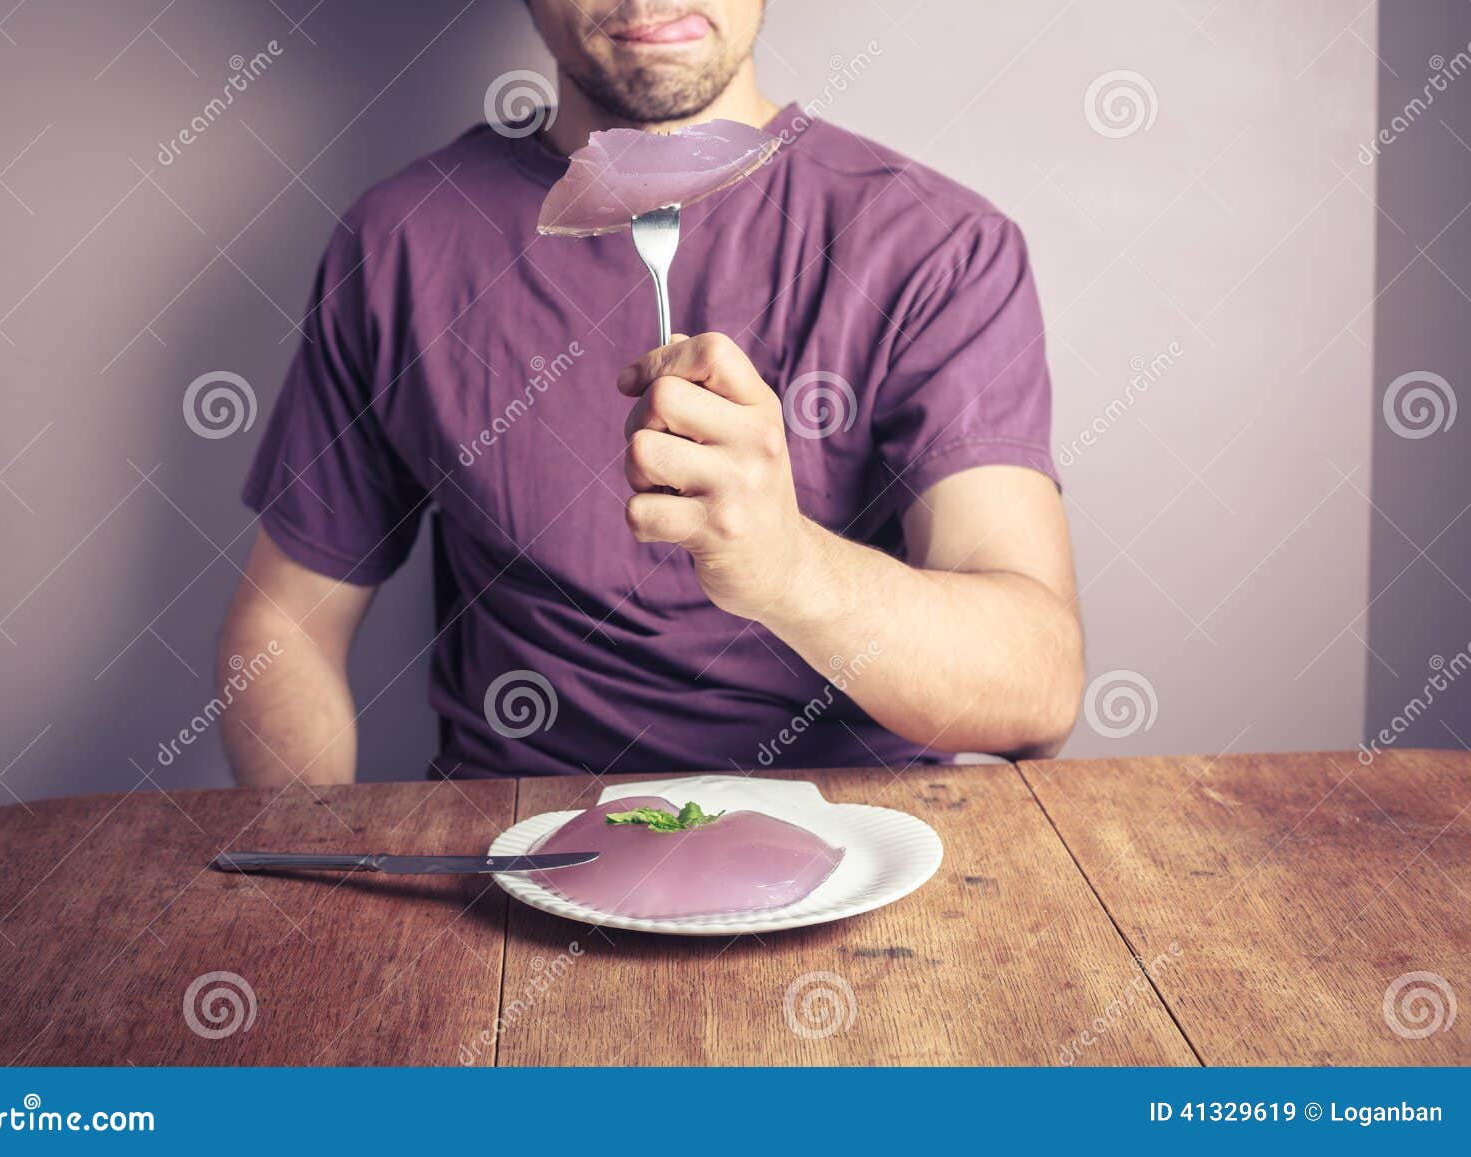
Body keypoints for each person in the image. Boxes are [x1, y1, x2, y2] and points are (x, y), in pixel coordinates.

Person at [217, 0, 1083, 787]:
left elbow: (1035, 690)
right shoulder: (403, 243)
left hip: (857, 852)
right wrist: (312, 879)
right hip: (514, 864)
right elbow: (285, 629)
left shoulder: (937, 248)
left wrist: (788, 567)